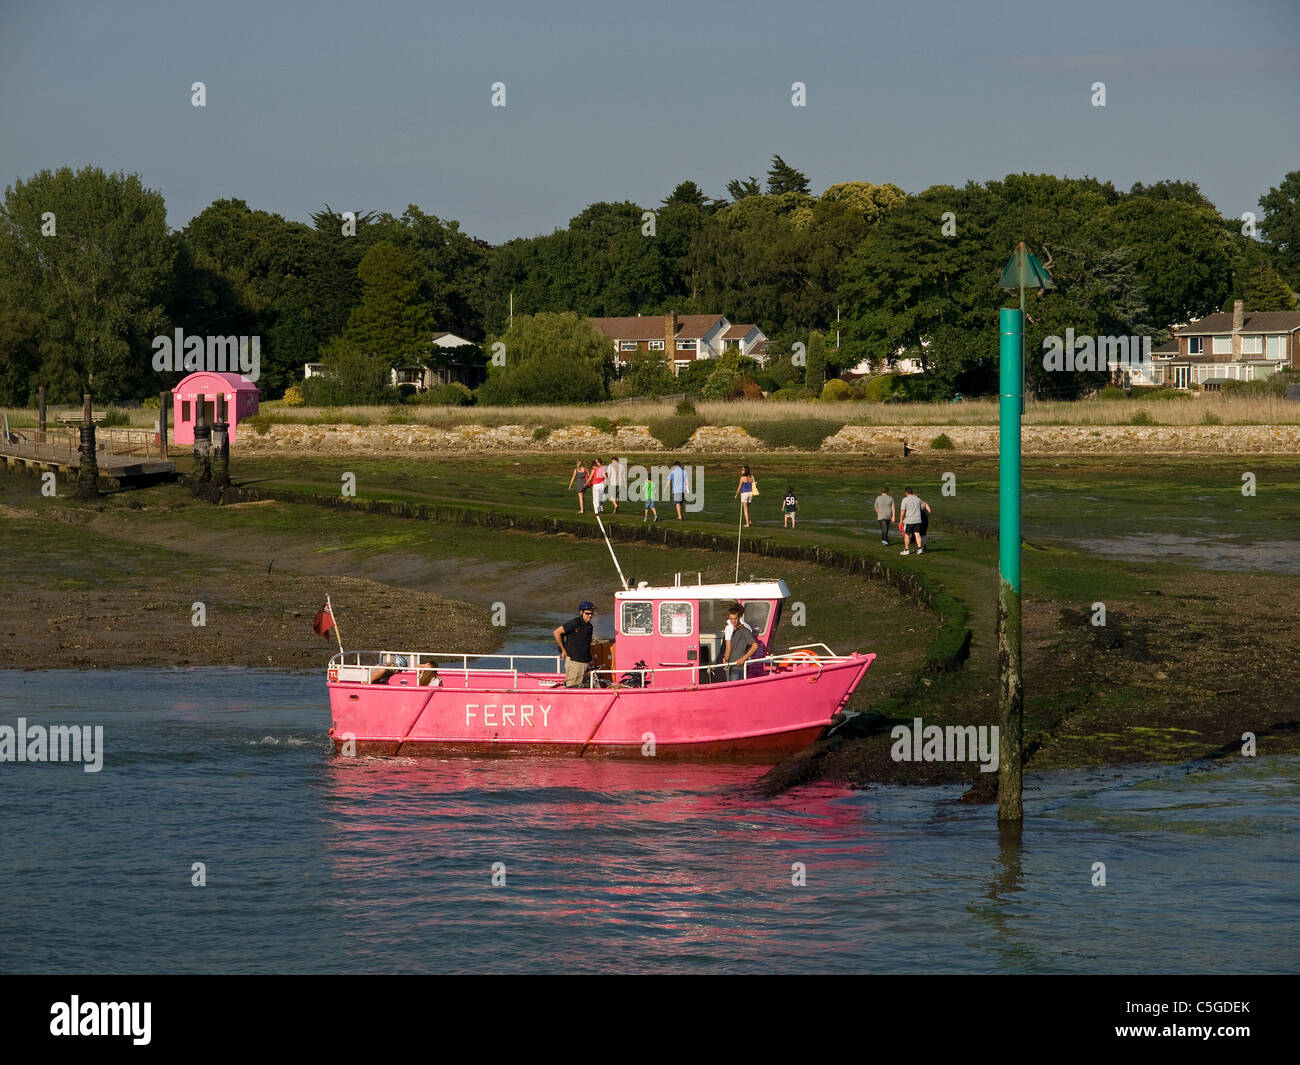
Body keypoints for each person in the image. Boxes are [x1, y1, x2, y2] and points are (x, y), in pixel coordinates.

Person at [554, 601, 596, 687]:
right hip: (575, 661)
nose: (590, 616)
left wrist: (590, 659)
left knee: (582, 686)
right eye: (587, 613)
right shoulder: (576, 622)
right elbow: (557, 632)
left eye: (591, 613)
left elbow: (586, 645)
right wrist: (563, 650)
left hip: (585, 661)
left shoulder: (590, 627)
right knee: (572, 686)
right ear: (581, 612)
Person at [722, 603, 758, 681]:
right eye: (731, 619)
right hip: (731, 666)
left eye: (735, 618)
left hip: (738, 668)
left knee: (734, 690)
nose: (733, 621)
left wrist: (743, 659)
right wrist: (726, 658)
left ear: (739, 618)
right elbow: (730, 648)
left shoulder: (744, 631)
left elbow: (755, 645)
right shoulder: (735, 631)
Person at [899, 487, 925, 555]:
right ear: (912, 492)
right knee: (917, 533)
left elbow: (902, 510)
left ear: (906, 492)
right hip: (918, 519)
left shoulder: (905, 500)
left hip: (909, 520)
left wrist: (901, 520)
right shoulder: (918, 499)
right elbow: (923, 508)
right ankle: (919, 549)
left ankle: (906, 550)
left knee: (907, 534)